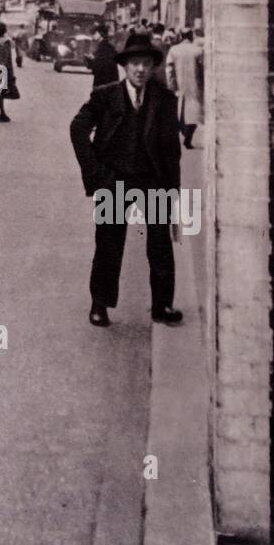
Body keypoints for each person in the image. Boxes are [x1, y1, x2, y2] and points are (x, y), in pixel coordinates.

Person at [69, 30, 183, 329]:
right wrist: (93, 173)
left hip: (153, 180)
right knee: (108, 243)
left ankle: (162, 305)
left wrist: (174, 195)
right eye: (135, 64)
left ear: (153, 66)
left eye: (146, 63)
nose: (141, 70)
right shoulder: (105, 96)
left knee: (160, 245)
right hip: (114, 180)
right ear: (125, 66)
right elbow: (78, 129)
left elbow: (172, 151)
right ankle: (100, 304)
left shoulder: (166, 100)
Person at [166, 29, 204, 149]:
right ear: (191, 36)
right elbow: (203, 69)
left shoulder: (174, 50)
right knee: (194, 114)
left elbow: (169, 69)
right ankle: (188, 138)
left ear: (181, 36)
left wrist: (171, 85)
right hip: (195, 85)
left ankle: (181, 135)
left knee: (180, 112)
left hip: (179, 85)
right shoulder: (198, 50)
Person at [88, 22, 119, 89]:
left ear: (100, 34)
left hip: (103, 84)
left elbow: (101, 65)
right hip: (110, 83)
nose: (93, 35)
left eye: (94, 33)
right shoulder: (108, 46)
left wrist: (92, 60)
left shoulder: (103, 47)